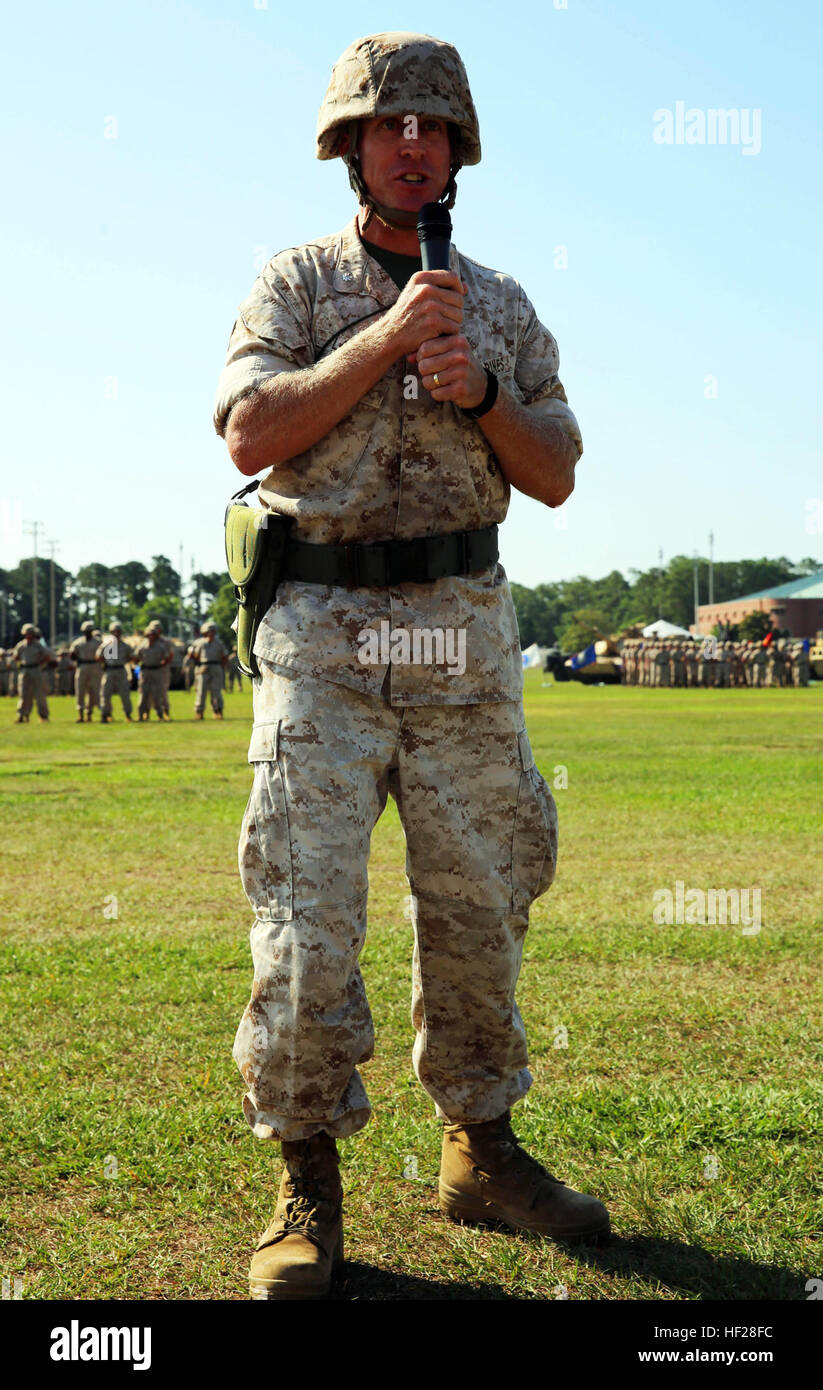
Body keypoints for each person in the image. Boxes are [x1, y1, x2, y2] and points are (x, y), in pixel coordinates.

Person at [213, 30, 609, 1301]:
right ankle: (306, 1184)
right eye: (387, 126)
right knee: (306, 919)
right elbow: (247, 433)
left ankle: (481, 1153)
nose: (410, 146)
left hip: (460, 637)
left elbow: (551, 470)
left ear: (458, 149)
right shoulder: (295, 282)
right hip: (322, 642)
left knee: (484, 908)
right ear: (348, 146)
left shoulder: (498, 302)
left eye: (431, 128)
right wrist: (382, 344)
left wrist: (482, 388)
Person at [13, 624, 55, 722]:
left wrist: (39, 663)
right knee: (23, 694)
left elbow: (47, 657)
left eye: (31, 633)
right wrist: (21, 661)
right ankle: (22, 715)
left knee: (39, 694)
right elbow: (15, 657)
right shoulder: (21, 645)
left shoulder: (38, 645)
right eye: (27, 633)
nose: (29, 635)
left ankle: (44, 716)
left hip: (36, 669)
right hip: (25, 670)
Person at [187, 620, 228, 719]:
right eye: (210, 631)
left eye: (213, 631)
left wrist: (221, 667)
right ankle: (199, 712)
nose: (211, 633)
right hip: (203, 667)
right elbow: (193, 655)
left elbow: (224, 656)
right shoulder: (199, 643)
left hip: (216, 666)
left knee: (216, 690)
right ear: (205, 632)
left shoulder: (219, 643)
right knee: (201, 690)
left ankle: (218, 711)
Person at [133, 621, 172, 720]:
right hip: (146, 671)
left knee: (161, 693)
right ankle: (145, 712)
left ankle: (164, 712)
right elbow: (136, 657)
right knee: (145, 693)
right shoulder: (143, 644)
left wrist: (163, 664)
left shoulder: (164, 643)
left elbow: (169, 655)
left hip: (160, 670)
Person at [97, 621, 135, 722]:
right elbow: (98, 656)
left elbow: (131, 656)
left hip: (121, 670)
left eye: (118, 631)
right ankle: (105, 714)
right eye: (114, 631)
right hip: (109, 670)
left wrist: (125, 661)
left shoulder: (125, 646)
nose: (116, 633)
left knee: (124, 693)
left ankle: (128, 714)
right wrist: (104, 663)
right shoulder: (106, 645)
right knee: (105, 693)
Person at [70, 620, 102, 722]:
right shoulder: (78, 642)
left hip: (95, 666)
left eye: (89, 631)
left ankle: (89, 713)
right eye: (86, 631)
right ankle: (80, 714)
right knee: (80, 690)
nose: (87, 632)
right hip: (82, 666)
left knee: (94, 690)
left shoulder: (98, 642)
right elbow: (72, 655)